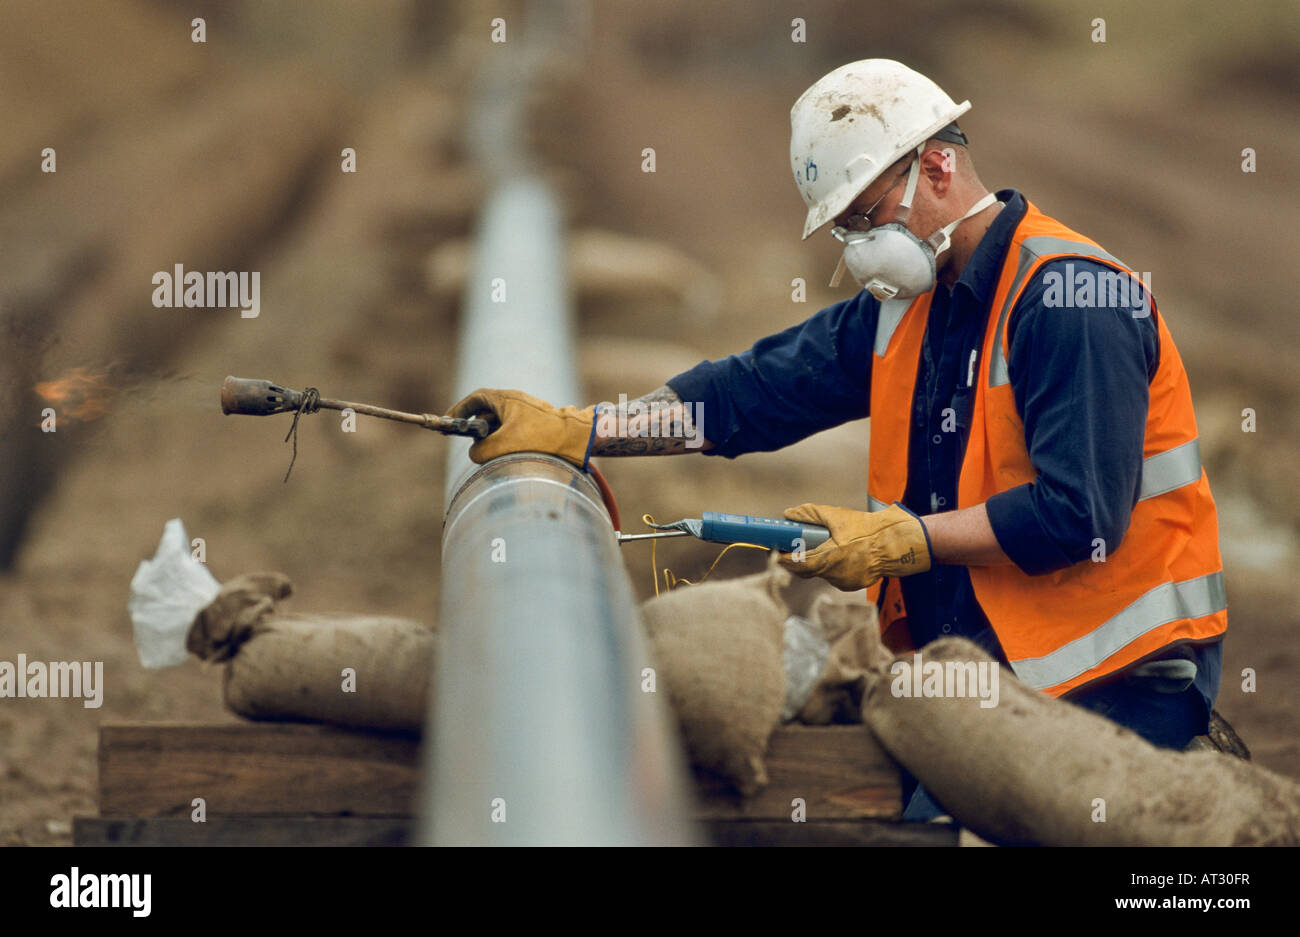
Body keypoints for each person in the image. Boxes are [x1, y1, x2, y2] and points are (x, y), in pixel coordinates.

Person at [447, 59, 1228, 820]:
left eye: (866, 213)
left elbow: (1079, 516)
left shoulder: (1068, 299)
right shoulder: (910, 304)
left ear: (938, 165)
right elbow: (752, 392)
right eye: (845, 227)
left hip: (1118, 682)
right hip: (987, 669)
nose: (860, 245)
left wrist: (903, 541)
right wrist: (590, 428)